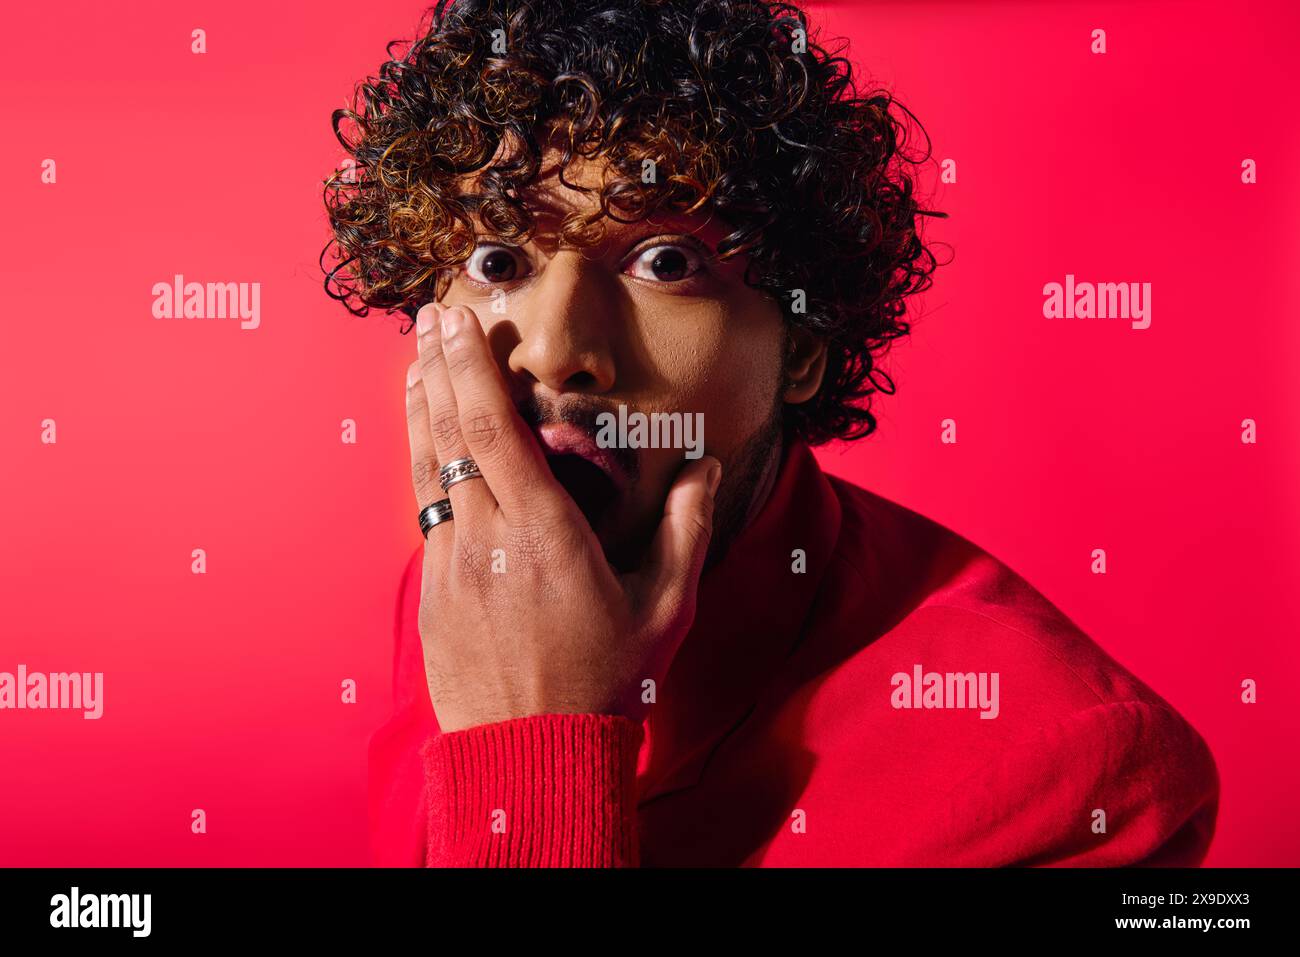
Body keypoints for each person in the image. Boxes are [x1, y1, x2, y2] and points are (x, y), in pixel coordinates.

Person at [321, 0, 1218, 866]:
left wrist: (534, 744)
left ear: (801, 345)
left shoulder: (1063, 776)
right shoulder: (459, 581)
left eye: (666, 262)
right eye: (497, 261)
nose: (557, 351)